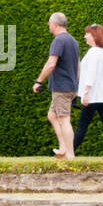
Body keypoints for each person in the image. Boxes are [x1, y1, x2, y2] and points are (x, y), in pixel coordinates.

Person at [32, 12, 79, 159]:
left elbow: (51, 63)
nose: (49, 26)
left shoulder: (59, 40)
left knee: (64, 119)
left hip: (61, 88)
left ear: (55, 24)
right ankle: (63, 148)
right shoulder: (73, 41)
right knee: (52, 115)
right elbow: (78, 65)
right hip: (70, 86)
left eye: (49, 24)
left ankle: (70, 155)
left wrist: (39, 81)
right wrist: (76, 84)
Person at [74, 23, 103, 157]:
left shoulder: (93, 52)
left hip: (92, 96)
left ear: (93, 36)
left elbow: (91, 74)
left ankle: (70, 152)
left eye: (87, 34)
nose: (85, 36)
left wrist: (86, 93)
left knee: (82, 126)